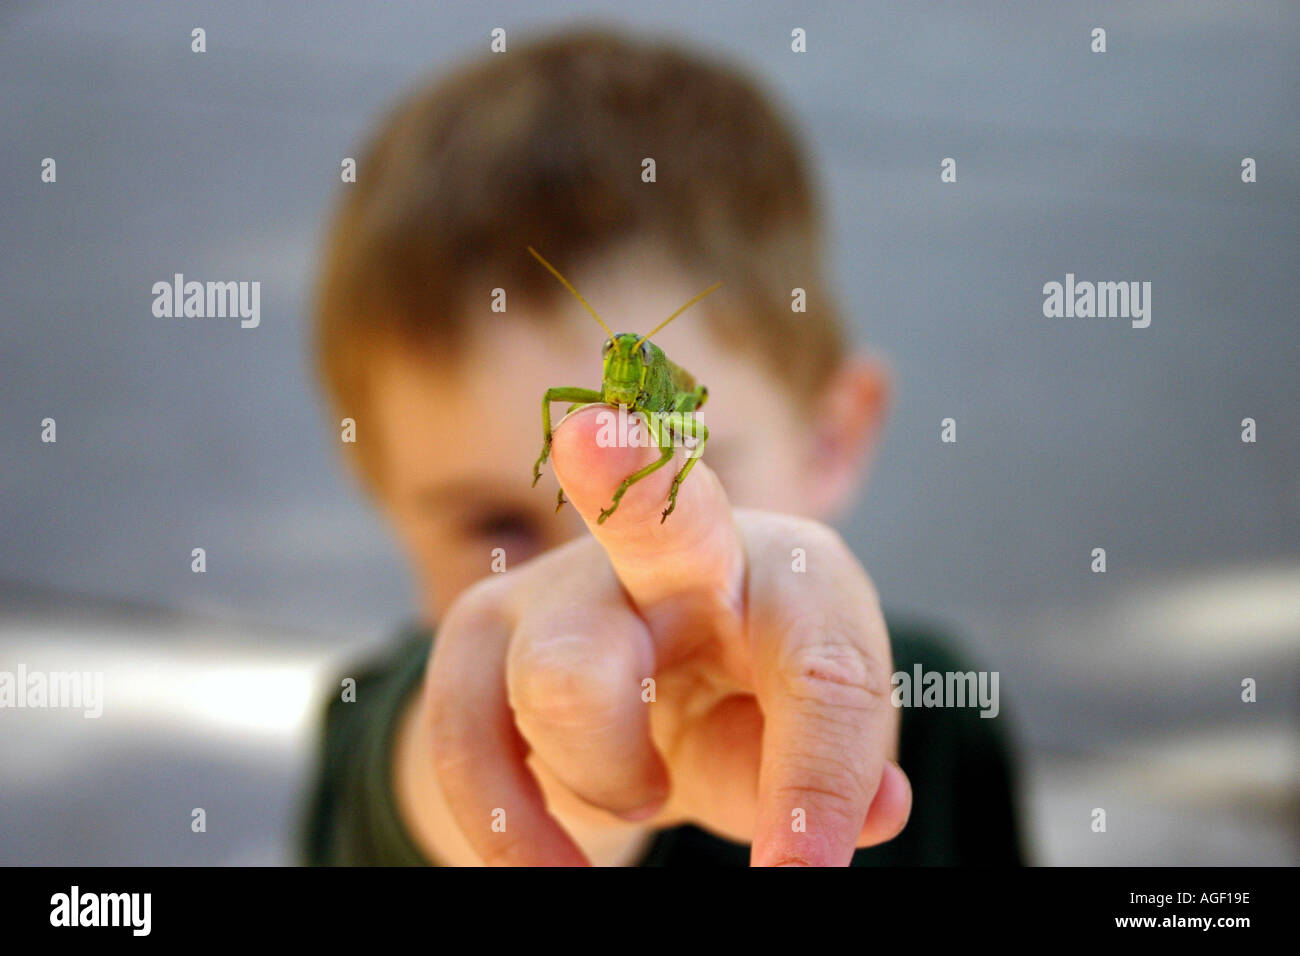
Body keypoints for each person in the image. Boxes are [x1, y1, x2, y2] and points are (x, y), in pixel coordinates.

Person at [299, 26, 1026, 866]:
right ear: (375, 483)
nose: (596, 568)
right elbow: (415, 791)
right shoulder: (370, 714)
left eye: (713, 464)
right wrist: (546, 769)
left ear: (831, 440)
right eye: (497, 522)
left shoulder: (933, 712)